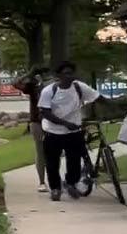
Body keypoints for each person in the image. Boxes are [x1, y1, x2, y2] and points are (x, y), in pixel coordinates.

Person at [38, 61, 100, 201]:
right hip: (52, 132)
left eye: (71, 73)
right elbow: (45, 112)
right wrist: (65, 123)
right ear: (58, 75)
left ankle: (70, 183)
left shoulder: (79, 87)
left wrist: (117, 105)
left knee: (74, 162)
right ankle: (55, 189)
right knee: (52, 163)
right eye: (66, 73)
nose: (69, 76)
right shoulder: (49, 91)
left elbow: (97, 97)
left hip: (74, 132)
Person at [15, 66, 51, 192]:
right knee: (40, 151)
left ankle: (55, 179)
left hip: (53, 121)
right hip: (37, 121)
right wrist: (28, 74)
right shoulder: (32, 86)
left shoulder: (53, 86)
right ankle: (42, 182)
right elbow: (15, 83)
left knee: (54, 151)